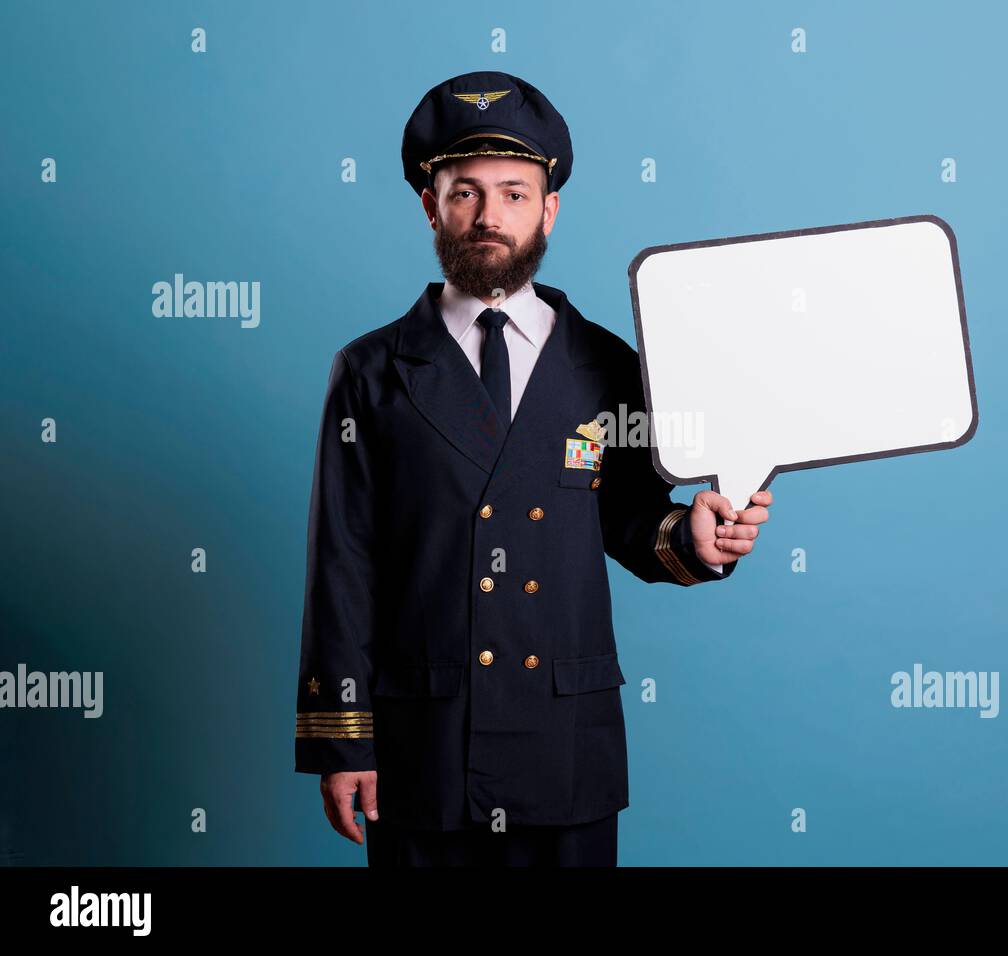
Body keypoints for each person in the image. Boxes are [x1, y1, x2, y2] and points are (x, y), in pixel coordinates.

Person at [293, 70, 773, 867]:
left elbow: (629, 518)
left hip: (565, 737)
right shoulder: (371, 371)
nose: (490, 215)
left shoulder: (609, 365)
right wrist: (344, 742)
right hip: (425, 741)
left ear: (549, 209)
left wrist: (690, 538)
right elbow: (342, 563)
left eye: (514, 193)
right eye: (465, 192)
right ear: (431, 207)